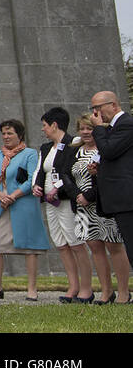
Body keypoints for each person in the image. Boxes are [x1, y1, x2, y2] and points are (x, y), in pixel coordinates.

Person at [0, 119, 48, 300]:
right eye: (3, 133)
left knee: (29, 247)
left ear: (20, 135)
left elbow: (31, 179)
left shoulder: (30, 154)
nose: (6, 137)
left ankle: (32, 289)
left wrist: (13, 196)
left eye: (10, 133)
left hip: (23, 205)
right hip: (0, 205)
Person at [72, 115, 131, 303]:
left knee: (114, 245)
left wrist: (90, 195)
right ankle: (106, 292)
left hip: (104, 202)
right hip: (83, 207)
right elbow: (66, 174)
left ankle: (124, 292)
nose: (86, 132)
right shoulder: (75, 150)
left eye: (90, 128)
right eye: (82, 129)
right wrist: (78, 195)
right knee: (95, 246)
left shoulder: (107, 148)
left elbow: (111, 175)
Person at [30, 107, 86, 302]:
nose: (43, 129)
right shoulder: (46, 148)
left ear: (55, 125)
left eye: (45, 126)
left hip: (65, 199)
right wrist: (37, 186)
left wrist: (58, 188)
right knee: (61, 243)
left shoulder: (73, 144)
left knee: (75, 242)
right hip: (50, 202)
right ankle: (73, 286)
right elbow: (41, 171)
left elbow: (71, 172)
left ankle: (86, 287)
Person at [90, 91, 133, 263]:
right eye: (93, 109)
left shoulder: (126, 124)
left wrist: (99, 128)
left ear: (113, 105)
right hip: (120, 199)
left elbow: (109, 151)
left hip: (127, 197)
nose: (95, 114)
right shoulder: (114, 127)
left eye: (98, 108)